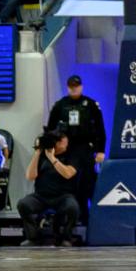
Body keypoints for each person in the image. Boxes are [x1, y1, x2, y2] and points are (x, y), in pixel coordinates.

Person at [47, 75, 106, 215]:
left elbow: (100, 129)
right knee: (70, 183)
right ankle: (71, 215)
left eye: (76, 86)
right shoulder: (60, 105)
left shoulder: (91, 104)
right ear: (67, 87)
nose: (74, 89)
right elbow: (50, 129)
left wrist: (101, 150)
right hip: (67, 150)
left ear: (81, 87)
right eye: (71, 86)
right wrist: (53, 149)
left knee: (88, 183)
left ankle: (88, 216)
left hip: (86, 149)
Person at [18, 130, 80, 246]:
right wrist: (37, 153)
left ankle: (66, 238)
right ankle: (33, 237)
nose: (65, 142)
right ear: (55, 143)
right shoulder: (41, 156)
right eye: (62, 140)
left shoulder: (72, 155)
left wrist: (52, 158)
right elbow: (30, 176)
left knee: (73, 207)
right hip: (41, 196)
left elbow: (68, 174)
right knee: (23, 204)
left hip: (63, 196)